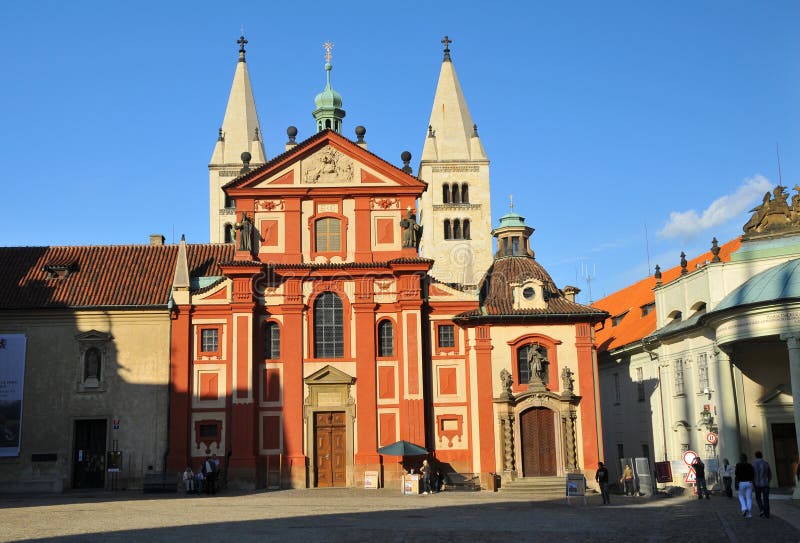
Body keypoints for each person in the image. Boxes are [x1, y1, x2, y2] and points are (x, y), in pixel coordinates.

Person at [752, 451, 772, 518]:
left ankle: (761, 509)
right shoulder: (766, 463)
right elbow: (769, 474)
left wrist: (753, 482)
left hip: (757, 484)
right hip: (765, 484)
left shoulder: (753, 464)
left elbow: (752, 474)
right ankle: (767, 513)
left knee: (758, 498)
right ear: (762, 455)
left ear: (755, 456)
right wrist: (768, 481)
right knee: (766, 499)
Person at [735, 453, 755, 518]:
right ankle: (749, 514)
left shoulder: (738, 465)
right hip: (749, 482)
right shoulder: (750, 465)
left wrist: (736, 484)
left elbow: (736, 475)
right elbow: (753, 474)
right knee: (749, 498)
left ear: (740, 459)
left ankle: (744, 508)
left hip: (742, 482)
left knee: (741, 496)